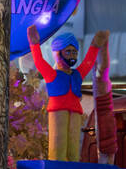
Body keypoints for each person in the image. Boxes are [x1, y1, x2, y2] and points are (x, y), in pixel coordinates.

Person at [27, 25, 110, 162]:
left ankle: (72, 168)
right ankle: (57, 168)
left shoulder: (77, 74)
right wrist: (34, 44)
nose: (72, 55)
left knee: (73, 142)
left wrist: (95, 46)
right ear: (58, 53)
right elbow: (39, 62)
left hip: (75, 111)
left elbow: (88, 62)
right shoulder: (52, 74)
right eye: (68, 52)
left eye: (74, 52)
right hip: (58, 111)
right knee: (58, 141)